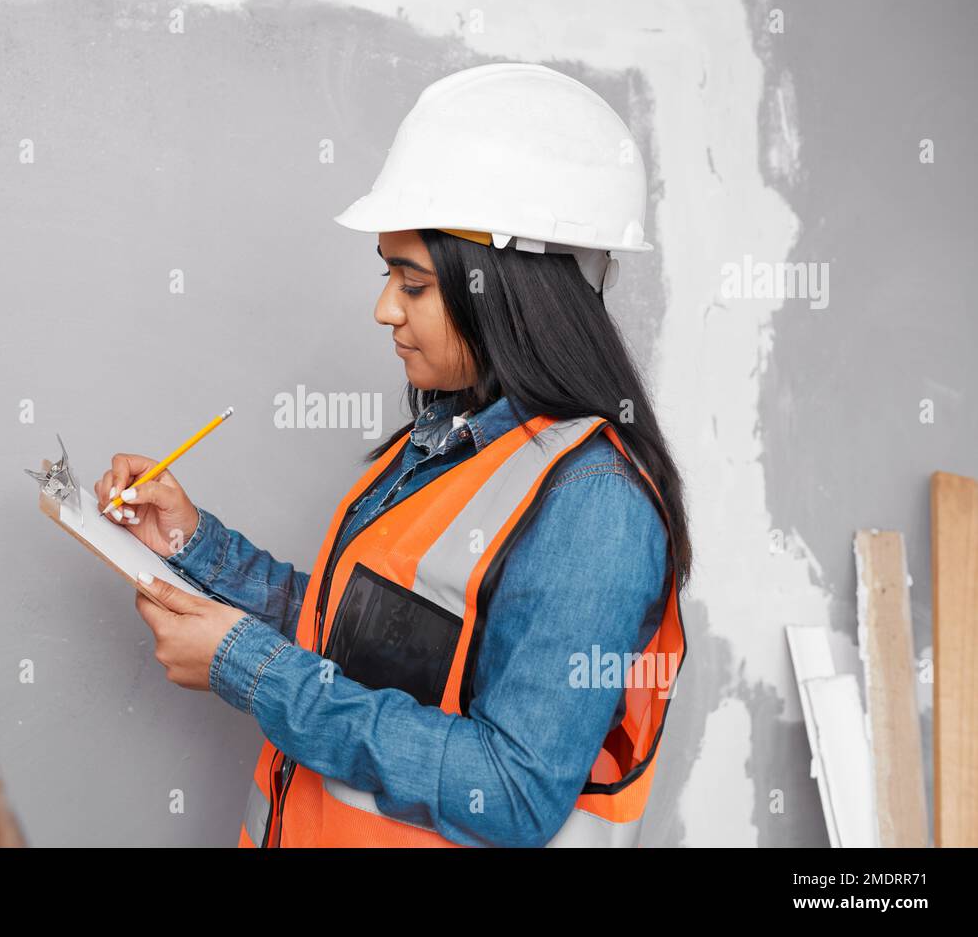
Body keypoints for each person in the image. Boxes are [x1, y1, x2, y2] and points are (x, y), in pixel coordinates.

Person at [94, 63, 690, 847]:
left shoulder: (597, 502)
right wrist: (187, 540)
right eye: (388, 275)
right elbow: (356, 633)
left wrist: (247, 666)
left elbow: (512, 789)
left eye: (412, 283)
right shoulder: (452, 436)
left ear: (503, 288)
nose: (384, 309)